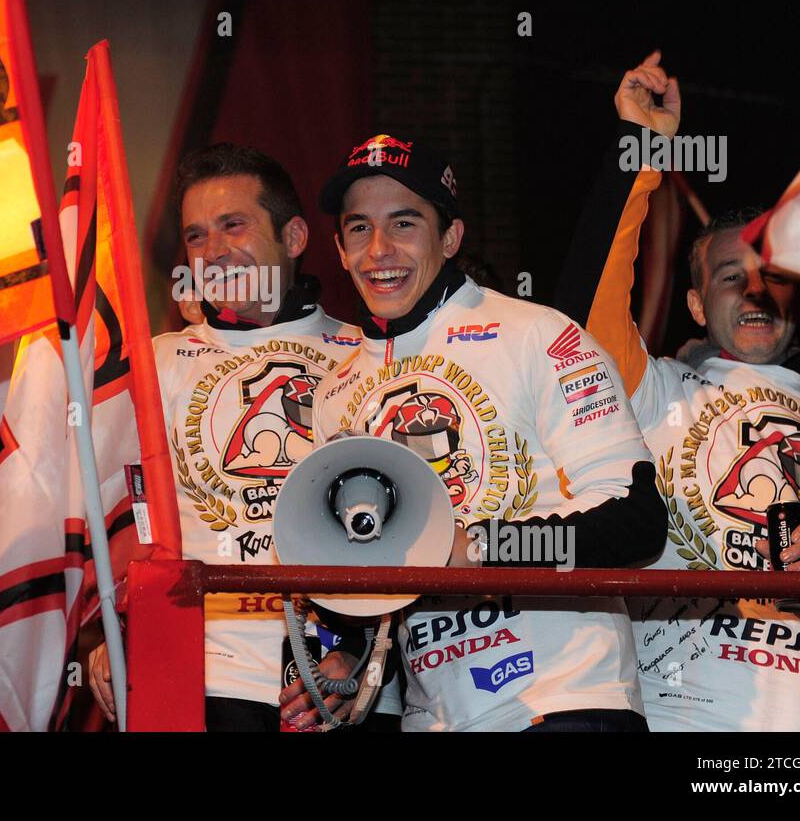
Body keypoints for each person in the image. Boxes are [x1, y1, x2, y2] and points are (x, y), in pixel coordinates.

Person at [281, 133, 666, 731]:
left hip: (565, 701)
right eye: (359, 228)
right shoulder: (333, 393)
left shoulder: (538, 334)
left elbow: (635, 522)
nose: (379, 249)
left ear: (451, 237)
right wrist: (346, 658)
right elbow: (369, 577)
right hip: (433, 716)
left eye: (403, 223)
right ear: (338, 247)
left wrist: (481, 548)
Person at [572, 51, 800, 731]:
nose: (755, 290)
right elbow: (588, 310)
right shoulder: (652, 389)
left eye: (773, 274)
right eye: (731, 276)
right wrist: (641, 147)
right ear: (698, 306)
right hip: (683, 714)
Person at [88, 142, 399, 731]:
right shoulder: (156, 364)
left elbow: (403, 523)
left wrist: (358, 651)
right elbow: (119, 513)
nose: (214, 252)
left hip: (339, 675)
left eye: (234, 225)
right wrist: (117, 621)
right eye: (197, 236)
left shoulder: (371, 356)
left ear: (295, 237)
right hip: (197, 674)